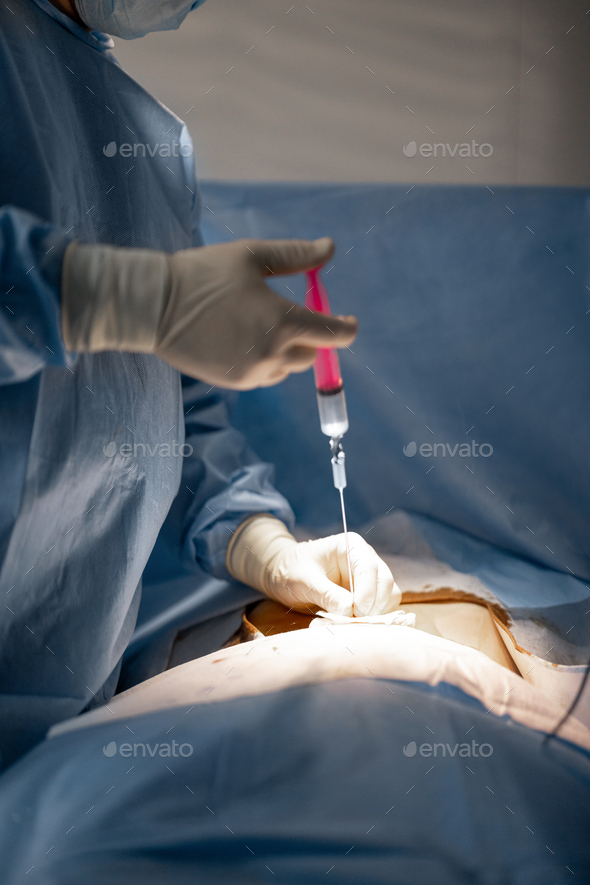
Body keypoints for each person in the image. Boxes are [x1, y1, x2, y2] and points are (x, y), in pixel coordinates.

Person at [0, 0, 400, 769]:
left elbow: (163, 411)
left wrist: (266, 546)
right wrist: (128, 298)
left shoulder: (150, 142)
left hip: (70, 728)